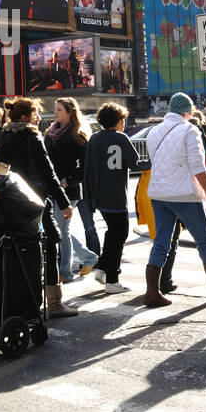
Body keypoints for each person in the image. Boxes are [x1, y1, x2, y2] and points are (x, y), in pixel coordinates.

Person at [0, 97, 78, 315]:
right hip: (36, 201)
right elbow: (48, 173)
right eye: (35, 113)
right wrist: (64, 202)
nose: (38, 117)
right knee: (52, 243)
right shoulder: (32, 137)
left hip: (11, 200)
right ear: (25, 117)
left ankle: (14, 298)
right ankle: (55, 303)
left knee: (19, 247)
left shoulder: (3, 136)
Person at [145, 93, 206, 307]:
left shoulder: (154, 131)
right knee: (205, 241)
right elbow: (198, 167)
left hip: (158, 193)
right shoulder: (189, 130)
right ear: (187, 112)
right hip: (183, 194)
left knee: (161, 243)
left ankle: (152, 292)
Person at [83, 103, 145, 294]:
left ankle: (102, 268)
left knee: (112, 233)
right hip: (117, 194)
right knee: (120, 235)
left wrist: (90, 198)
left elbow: (89, 169)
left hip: (100, 195)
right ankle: (112, 279)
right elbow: (134, 163)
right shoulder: (121, 138)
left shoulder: (94, 139)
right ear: (119, 121)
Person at [45, 98, 99, 283]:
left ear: (70, 111)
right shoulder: (50, 132)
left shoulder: (78, 134)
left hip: (69, 190)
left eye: (59, 109)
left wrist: (67, 181)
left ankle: (65, 271)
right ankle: (88, 257)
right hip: (51, 187)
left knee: (62, 229)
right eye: (55, 109)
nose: (55, 112)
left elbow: (85, 167)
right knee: (60, 229)